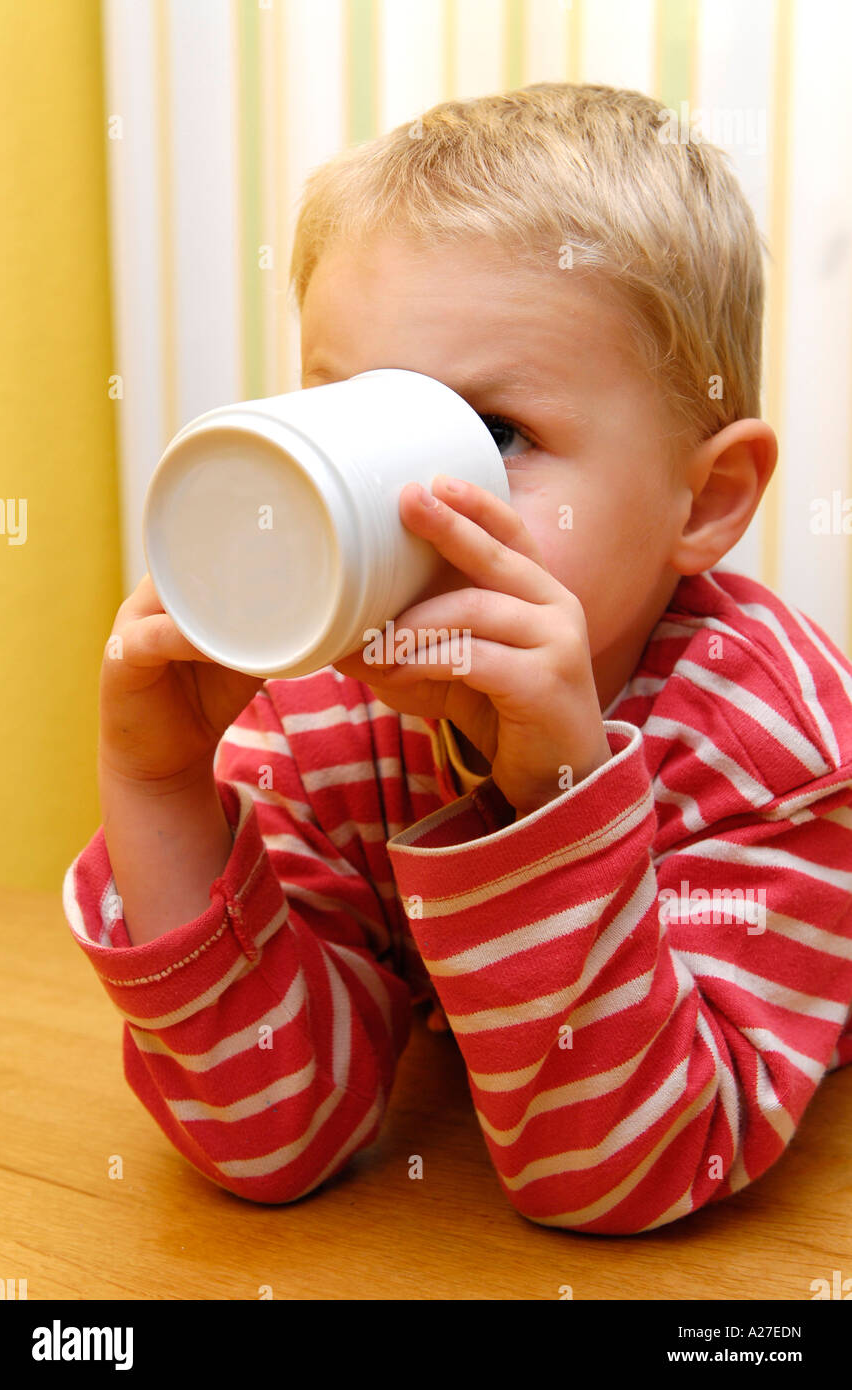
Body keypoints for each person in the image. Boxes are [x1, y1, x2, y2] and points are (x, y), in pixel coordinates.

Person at [63, 82, 852, 1234]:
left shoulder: (770, 740)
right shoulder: (322, 719)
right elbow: (270, 1134)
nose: (408, 505)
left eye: (494, 436)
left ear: (708, 497)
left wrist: (557, 797)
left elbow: (634, 1175)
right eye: (350, 412)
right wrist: (163, 789)